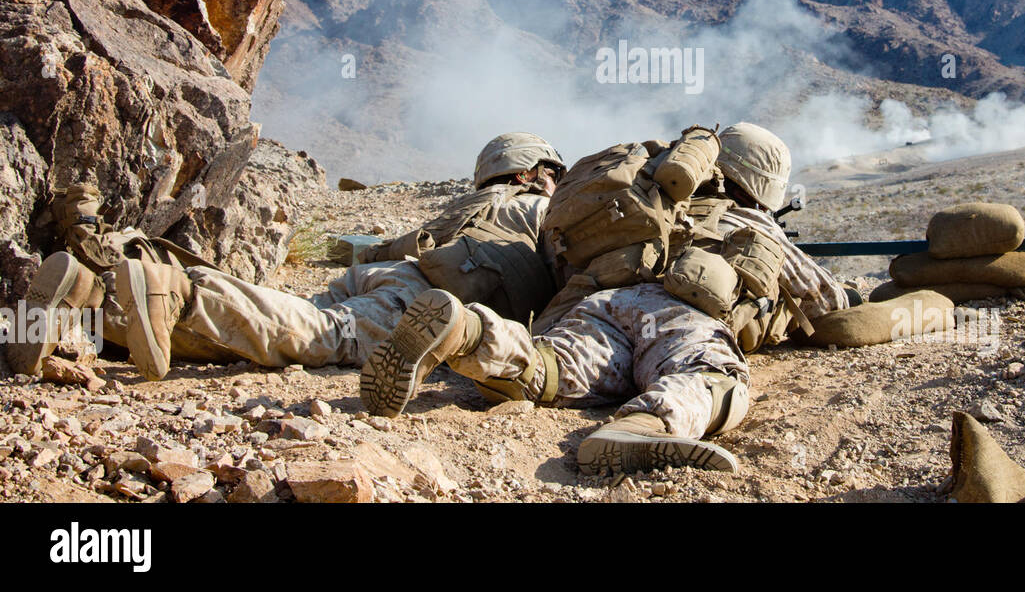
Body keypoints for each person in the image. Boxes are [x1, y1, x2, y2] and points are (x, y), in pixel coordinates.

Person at [359, 122, 855, 476]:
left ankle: (468, 334)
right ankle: (645, 424)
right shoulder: (753, 224)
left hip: (598, 301)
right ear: (766, 187)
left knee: (548, 369)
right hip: (680, 316)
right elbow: (829, 305)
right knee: (713, 378)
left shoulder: (657, 201)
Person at [12, 133, 564, 383]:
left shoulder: (470, 201)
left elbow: (398, 246)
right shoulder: (541, 207)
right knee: (322, 337)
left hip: (384, 274)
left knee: (268, 332)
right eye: (551, 173)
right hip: (424, 299)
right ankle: (178, 291)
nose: (557, 184)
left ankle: (89, 300)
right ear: (528, 172)